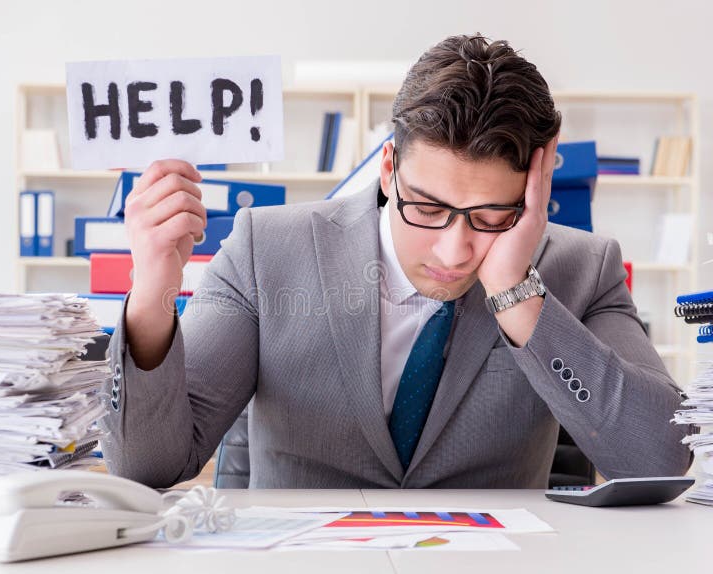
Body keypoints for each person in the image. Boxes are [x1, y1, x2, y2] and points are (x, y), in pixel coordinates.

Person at [100, 34, 692, 489]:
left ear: (533, 192)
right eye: (429, 207)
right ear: (389, 169)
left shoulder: (582, 268)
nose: (453, 251)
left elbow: (663, 461)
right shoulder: (264, 250)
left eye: (491, 216)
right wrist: (151, 293)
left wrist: (517, 293)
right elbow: (149, 467)